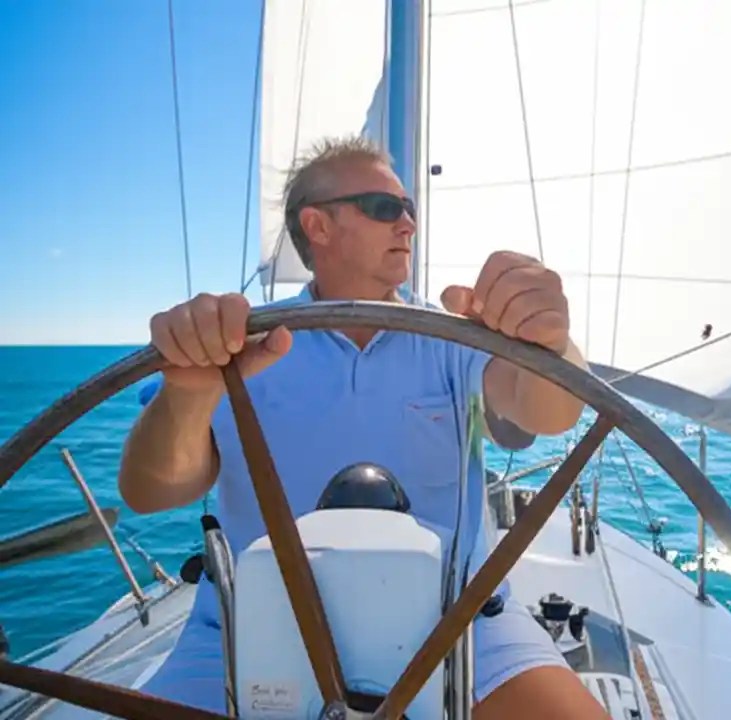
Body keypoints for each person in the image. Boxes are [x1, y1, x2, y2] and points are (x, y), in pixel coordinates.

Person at [119, 135, 607, 719]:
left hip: (461, 620)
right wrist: (188, 392)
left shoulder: (452, 337)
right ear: (317, 227)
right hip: (245, 623)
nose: (408, 224)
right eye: (385, 208)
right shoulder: (242, 344)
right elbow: (150, 490)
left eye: (410, 210)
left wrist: (550, 343)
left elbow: (546, 408)